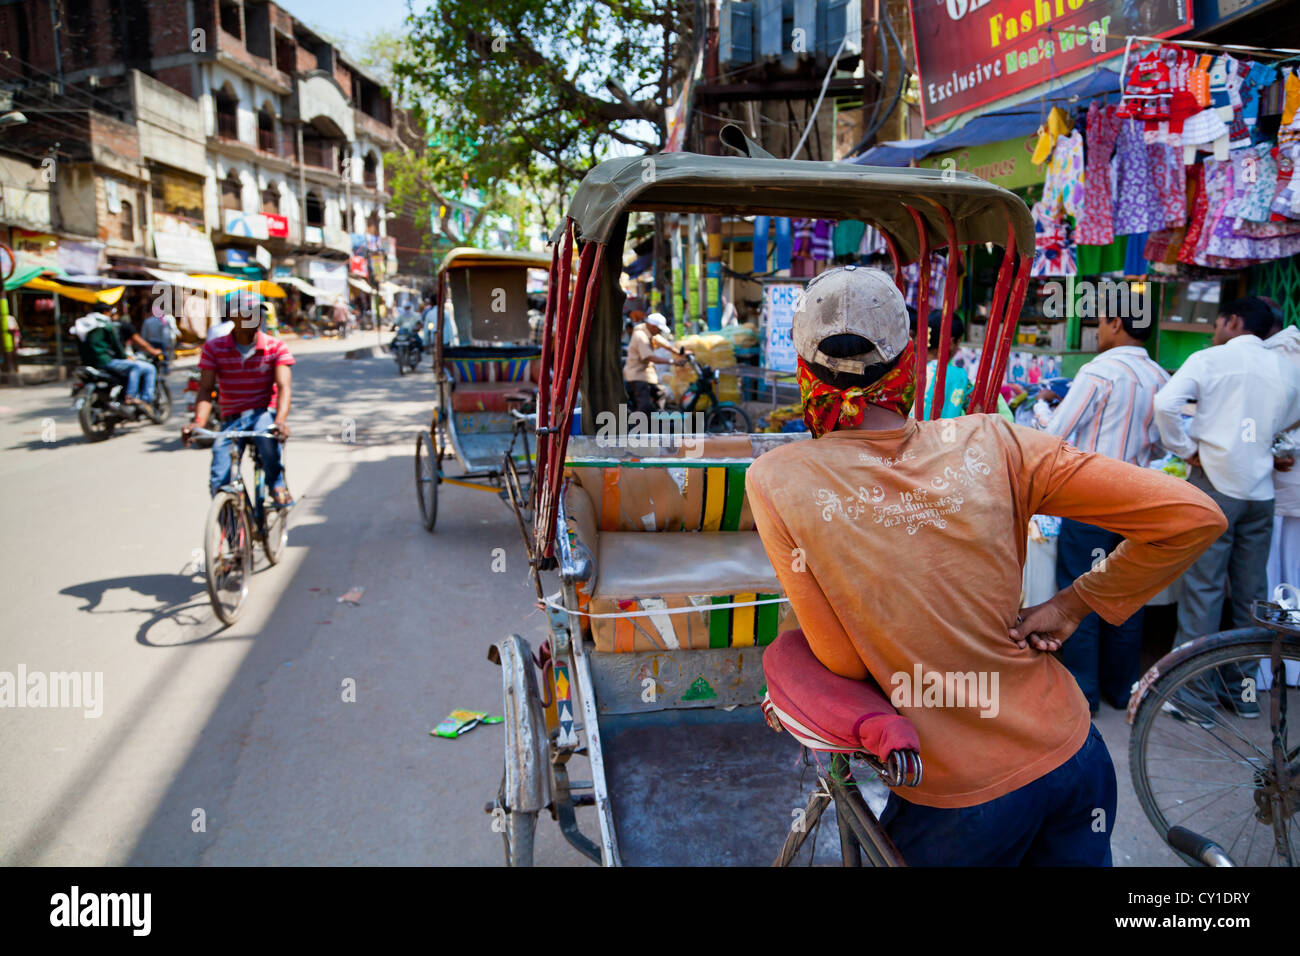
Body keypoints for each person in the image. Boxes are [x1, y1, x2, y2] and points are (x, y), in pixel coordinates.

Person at [745, 265, 1226, 865]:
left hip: (956, 798)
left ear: (804, 370)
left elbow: (841, 660)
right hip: (1071, 756)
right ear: (909, 361)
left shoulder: (778, 479)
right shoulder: (997, 441)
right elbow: (1192, 515)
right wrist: (1074, 602)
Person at [1154, 297, 1300, 722]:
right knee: (1250, 597)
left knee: (1204, 591)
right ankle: (1245, 694)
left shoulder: (1210, 359)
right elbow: (1288, 420)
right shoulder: (1283, 367)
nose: (1214, 329)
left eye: (1218, 322)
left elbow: (1165, 405)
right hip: (1260, 492)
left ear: (1233, 321)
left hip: (1216, 484)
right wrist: (1264, 446)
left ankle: (1193, 699)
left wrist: (1187, 448)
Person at [1043, 310, 1170, 714]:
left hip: (1091, 500)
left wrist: (1044, 409)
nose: (1097, 331)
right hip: (1138, 502)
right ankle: (1122, 689)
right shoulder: (1160, 378)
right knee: (1125, 595)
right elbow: (1163, 445)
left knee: (1080, 591)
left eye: (1099, 323)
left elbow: (1054, 434)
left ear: (1116, 323)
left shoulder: (1099, 372)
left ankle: (1083, 692)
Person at [182, 301, 296, 506]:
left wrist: (280, 420)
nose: (254, 319)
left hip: (263, 412)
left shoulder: (275, 346)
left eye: (257, 314)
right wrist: (198, 423)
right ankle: (231, 525)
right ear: (233, 318)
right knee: (219, 470)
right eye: (246, 314)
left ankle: (277, 484)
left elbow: (284, 386)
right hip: (232, 418)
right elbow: (206, 389)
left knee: (267, 440)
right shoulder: (214, 348)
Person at [74, 307, 159, 408]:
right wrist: (124, 357)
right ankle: (132, 397)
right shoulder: (105, 324)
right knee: (137, 367)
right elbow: (116, 345)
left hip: (87, 363)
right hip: (105, 361)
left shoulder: (82, 324)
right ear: (106, 312)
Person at [910, 308, 970, 419]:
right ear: (952, 342)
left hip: (908, 435)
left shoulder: (908, 369)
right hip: (943, 435)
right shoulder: (958, 376)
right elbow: (980, 409)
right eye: (959, 342)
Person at [623, 312, 686, 414]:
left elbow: (664, 343)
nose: (659, 332)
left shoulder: (650, 332)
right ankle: (640, 427)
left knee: (661, 393)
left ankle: (658, 419)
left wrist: (679, 352)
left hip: (647, 375)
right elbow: (650, 357)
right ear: (653, 326)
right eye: (659, 329)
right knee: (645, 407)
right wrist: (672, 361)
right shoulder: (641, 336)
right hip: (637, 376)